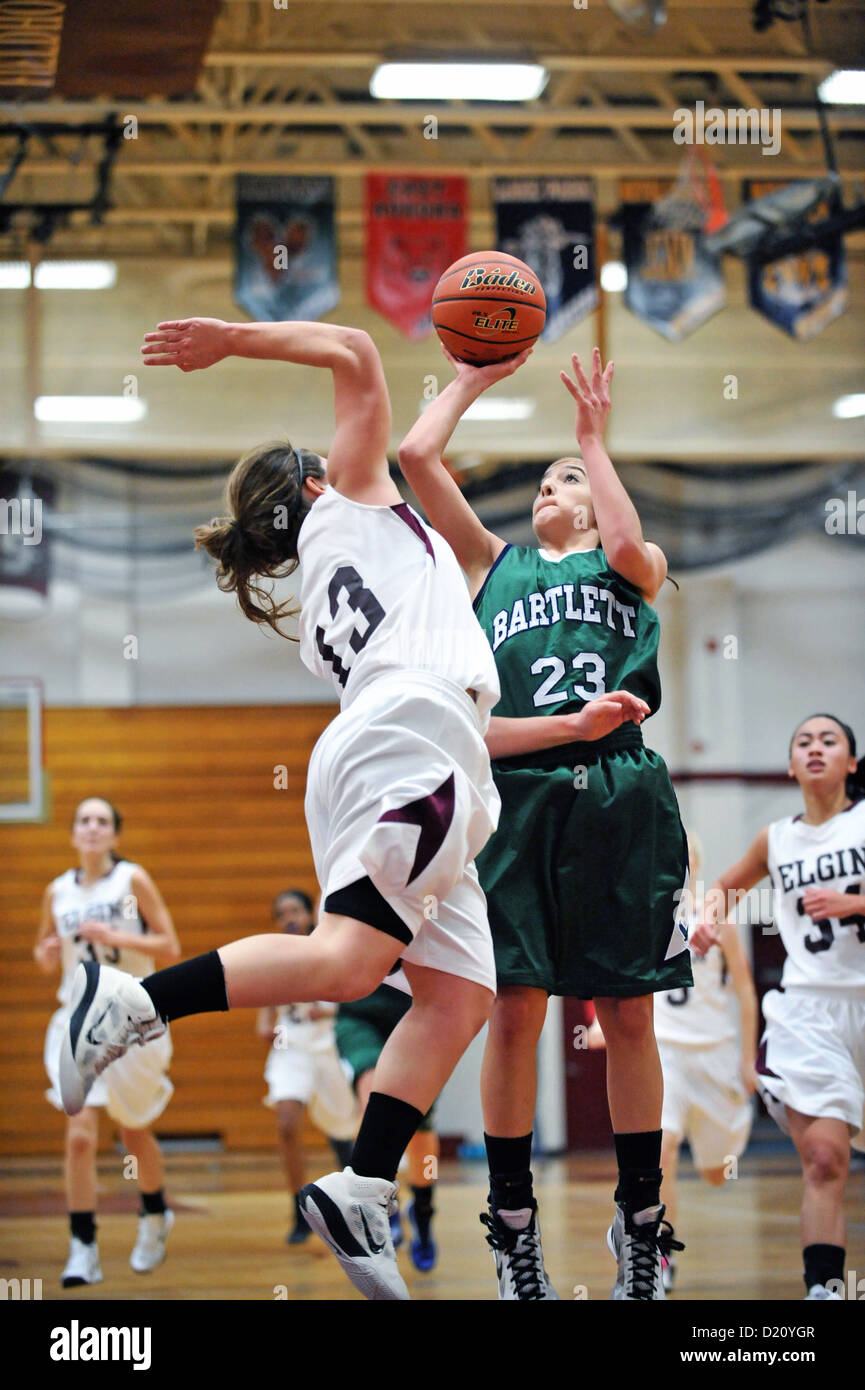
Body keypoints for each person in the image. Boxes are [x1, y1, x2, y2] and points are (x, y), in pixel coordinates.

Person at [58, 314, 503, 1303]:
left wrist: (469, 380)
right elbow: (354, 350)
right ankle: (131, 1002)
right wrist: (229, 337)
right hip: (411, 746)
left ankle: (360, 1183)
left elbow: (454, 690)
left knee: (460, 993)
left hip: (417, 750)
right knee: (352, 962)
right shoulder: (350, 500)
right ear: (314, 481)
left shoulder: (333, 580)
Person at [398, 345, 691, 1300]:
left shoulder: (633, 569)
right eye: (545, 481)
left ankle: (640, 1225)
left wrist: (590, 443)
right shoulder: (492, 565)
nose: (548, 489)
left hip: (618, 795)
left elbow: (619, 544)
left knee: (627, 1012)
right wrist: (475, 378)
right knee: (515, 1010)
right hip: (519, 795)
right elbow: (414, 458)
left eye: (565, 481)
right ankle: (513, 1226)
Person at [692, 714, 865, 1301]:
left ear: (852, 763)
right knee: (823, 1158)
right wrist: (708, 919)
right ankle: (825, 1291)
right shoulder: (777, 838)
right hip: (810, 1010)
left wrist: (853, 900)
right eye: (804, 742)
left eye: (829, 740)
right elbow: (725, 886)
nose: (815, 748)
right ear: (791, 765)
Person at [588, 831, 757, 1292]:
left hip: (715, 1054)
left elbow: (744, 991)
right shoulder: (643, 915)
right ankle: (658, 1256)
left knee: (717, 1172)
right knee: (659, 1150)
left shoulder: (717, 918)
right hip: (665, 1052)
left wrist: (748, 1059)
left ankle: (716, 1151)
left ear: (695, 863)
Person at [34, 797, 181, 1287]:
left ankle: (155, 1212)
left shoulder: (131, 880)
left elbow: (170, 945)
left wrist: (118, 934)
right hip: (76, 1017)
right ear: (74, 834)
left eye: (102, 821)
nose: (92, 828)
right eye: (84, 820)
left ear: (114, 835)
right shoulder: (57, 892)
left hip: (131, 1016)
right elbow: (42, 953)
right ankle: (82, 1246)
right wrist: (49, 951)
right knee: (79, 1134)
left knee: (133, 1132)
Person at [257, 889, 357, 1245]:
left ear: (308, 914)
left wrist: (328, 1010)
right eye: (282, 913)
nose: (290, 917)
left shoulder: (329, 947)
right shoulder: (271, 959)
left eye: (296, 909)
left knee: (343, 1130)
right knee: (286, 1123)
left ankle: (356, 1202)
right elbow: (263, 1022)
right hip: (291, 1049)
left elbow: (357, 999)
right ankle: (298, 1208)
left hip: (328, 1042)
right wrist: (268, 1030)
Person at [335, 966, 440, 1271]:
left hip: (421, 1009)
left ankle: (422, 1211)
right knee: (373, 1101)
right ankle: (383, 1206)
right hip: (359, 1015)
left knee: (419, 1123)